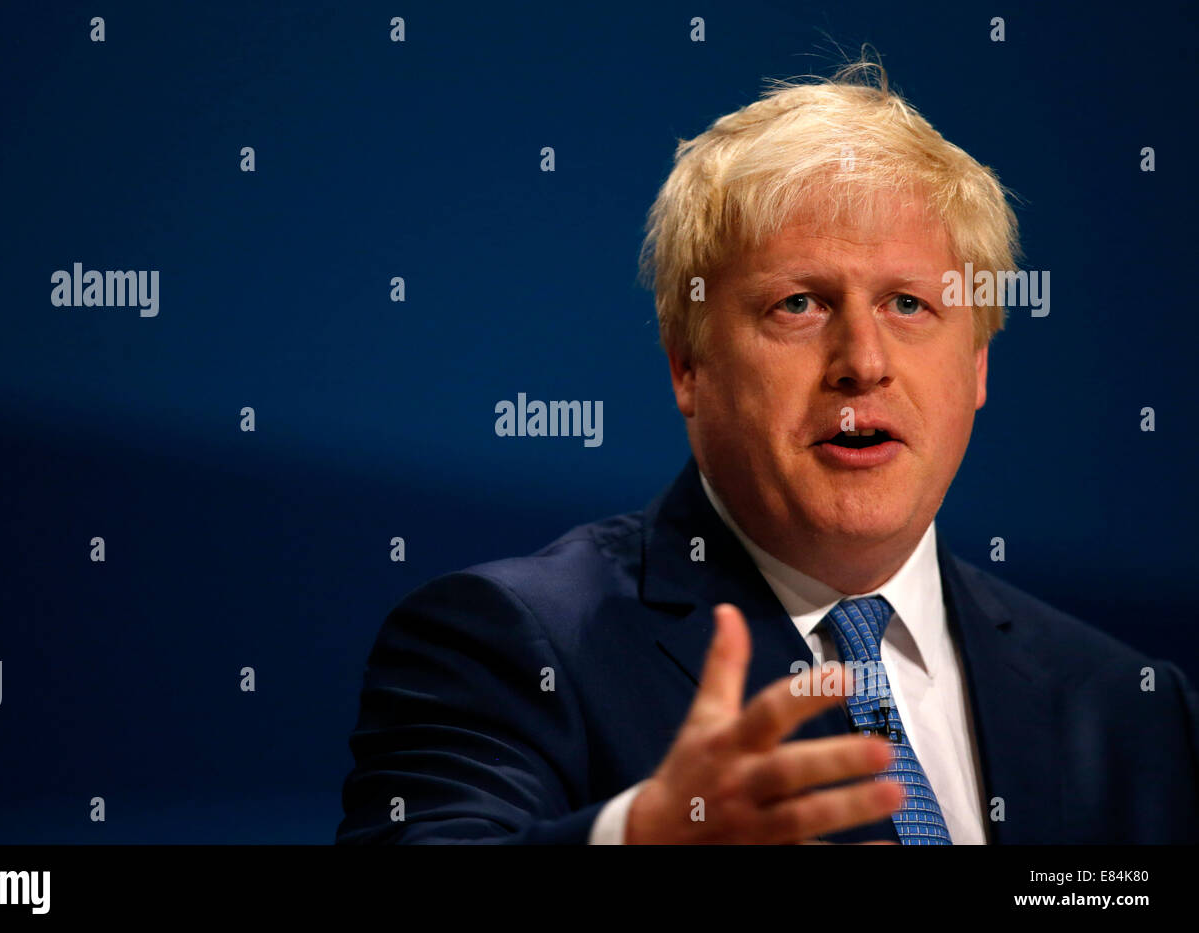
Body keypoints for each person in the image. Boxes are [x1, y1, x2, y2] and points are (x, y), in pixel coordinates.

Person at [336, 62, 1199, 844]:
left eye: (908, 304)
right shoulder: (517, 643)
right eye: (799, 304)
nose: (863, 361)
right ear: (689, 366)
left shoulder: (1129, 709)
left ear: (976, 365)